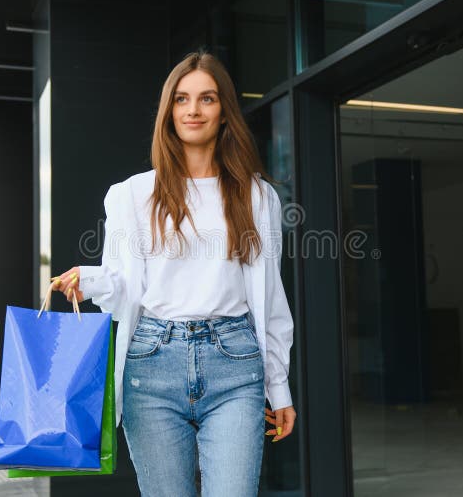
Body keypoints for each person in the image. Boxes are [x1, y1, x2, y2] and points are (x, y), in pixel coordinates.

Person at [51, 50, 296, 497]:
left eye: (207, 99)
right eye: (182, 99)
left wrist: (278, 387)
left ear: (224, 113)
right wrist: (88, 280)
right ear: (168, 112)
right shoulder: (131, 195)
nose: (193, 110)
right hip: (151, 367)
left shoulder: (258, 197)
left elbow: (271, 295)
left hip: (235, 363)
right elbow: (124, 283)